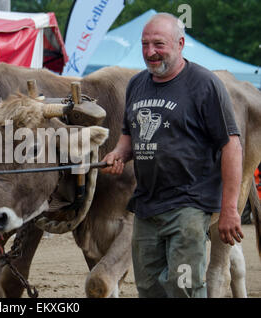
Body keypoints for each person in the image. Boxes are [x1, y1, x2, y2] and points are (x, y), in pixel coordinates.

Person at [101, 13, 243, 298]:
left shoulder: (204, 85)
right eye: (144, 44)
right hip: (146, 206)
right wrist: (118, 152)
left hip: (188, 206)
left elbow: (231, 146)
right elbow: (130, 134)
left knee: (184, 287)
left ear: (180, 43)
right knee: (149, 288)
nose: (150, 52)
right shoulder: (137, 84)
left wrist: (229, 208)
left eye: (158, 44)